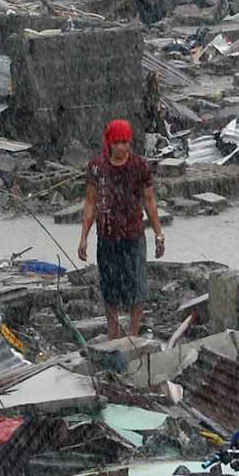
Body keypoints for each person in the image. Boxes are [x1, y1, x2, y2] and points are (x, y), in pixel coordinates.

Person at [77, 117, 164, 339]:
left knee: (137, 287)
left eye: (125, 142)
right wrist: (84, 237)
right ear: (109, 143)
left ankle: (133, 334)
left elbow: (149, 201)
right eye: (116, 142)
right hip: (106, 236)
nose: (121, 147)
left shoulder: (139, 166)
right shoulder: (97, 167)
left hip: (133, 235)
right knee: (110, 287)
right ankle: (113, 333)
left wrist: (159, 233)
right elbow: (90, 202)